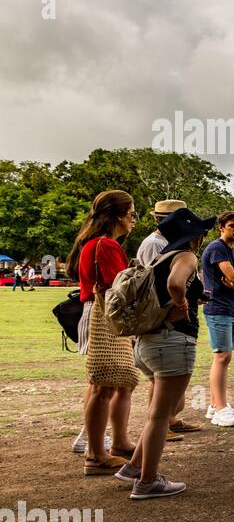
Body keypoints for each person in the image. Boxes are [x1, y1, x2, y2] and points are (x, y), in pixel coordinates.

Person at [114, 208, 215, 499]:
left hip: (148, 343)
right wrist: (182, 303)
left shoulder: (160, 257)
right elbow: (174, 284)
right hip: (172, 341)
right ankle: (148, 481)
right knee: (162, 414)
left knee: (157, 412)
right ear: (193, 237)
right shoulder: (186, 256)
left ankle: (134, 468)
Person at [69, 190, 139, 475]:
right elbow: (118, 289)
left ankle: (114, 443)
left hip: (97, 314)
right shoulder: (106, 245)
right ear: (119, 216)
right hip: (104, 317)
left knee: (110, 382)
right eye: (132, 214)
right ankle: (96, 454)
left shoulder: (93, 243)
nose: (134, 220)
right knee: (104, 385)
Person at [136, 199, 201, 437]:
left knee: (163, 384)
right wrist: (181, 303)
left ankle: (168, 420)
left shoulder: (167, 243)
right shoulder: (157, 244)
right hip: (164, 325)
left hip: (166, 325)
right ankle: (162, 423)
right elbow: (164, 284)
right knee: (160, 382)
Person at [201, 211, 234, 427]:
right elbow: (233, 278)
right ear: (221, 227)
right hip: (218, 308)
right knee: (222, 356)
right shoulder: (216, 248)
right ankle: (220, 409)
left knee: (225, 357)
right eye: (232, 225)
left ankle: (214, 405)